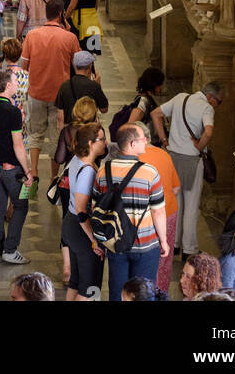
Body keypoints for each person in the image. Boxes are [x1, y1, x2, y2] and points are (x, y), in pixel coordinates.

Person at [91, 124, 169, 301]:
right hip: (145, 244)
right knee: (143, 294)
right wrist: (163, 241)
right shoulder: (150, 172)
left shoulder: (104, 171)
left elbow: (95, 208)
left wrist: (98, 241)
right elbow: (158, 212)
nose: (146, 142)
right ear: (132, 144)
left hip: (115, 243)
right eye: (143, 139)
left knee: (117, 293)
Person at [150, 81, 224, 256]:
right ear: (211, 97)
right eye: (219, 102)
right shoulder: (207, 109)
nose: (218, 106)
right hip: (191, 161)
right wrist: (199, 146)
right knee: (191, 207)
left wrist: (164, 140)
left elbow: (155, 114)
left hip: (173, 158)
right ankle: (189, 248)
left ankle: (174, 243)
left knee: (177, 203)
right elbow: (209, 132)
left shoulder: (180, 98)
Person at [20, 0, 80, 189]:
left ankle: (34, 171)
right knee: (57, 137)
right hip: (60, 97)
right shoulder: (69, 38)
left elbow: (24, 65)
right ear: (61, 14)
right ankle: (54, 177)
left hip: (36, 92)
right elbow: (78, 67)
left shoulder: (32, 35)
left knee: (35, 133)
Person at [0, 67, 32, 264]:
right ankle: (10, 250)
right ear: (8, 85)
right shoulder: (13, 112)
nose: (18, 84)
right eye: (15, 82)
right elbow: (18, 145)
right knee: (20, 205)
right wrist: (27, 171)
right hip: (10, 168)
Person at [61, 122, 108, 301]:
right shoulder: (87, 171)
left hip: (70, 225)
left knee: (76, 282)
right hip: (82, 231)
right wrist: (94, 240)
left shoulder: (76, 159)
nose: (105, 143)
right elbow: (82, 211)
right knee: (90, 288)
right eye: (102, 139)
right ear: (90, 143)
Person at [138, 123, 180, 293]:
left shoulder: (131, 157)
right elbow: (176, 188)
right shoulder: (164, 155)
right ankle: (160, 292)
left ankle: (140, 292)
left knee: (142, 259)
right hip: (167, 212)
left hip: (142, 218)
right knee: (164, 258)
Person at [55, 50, 109, 129]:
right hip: (88, 130)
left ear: (74, 65)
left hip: (70, 130)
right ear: (90, 67)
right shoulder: (94, 86)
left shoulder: (64, 86)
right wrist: (99, 85)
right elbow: (104, 109)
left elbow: (60, 117)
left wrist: (63, 135)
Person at [125, 68, 167, 135]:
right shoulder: (143, 102)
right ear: (154, 84)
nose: (161, 87)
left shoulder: (147, 99)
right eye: (160, 84)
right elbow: (129, 128)